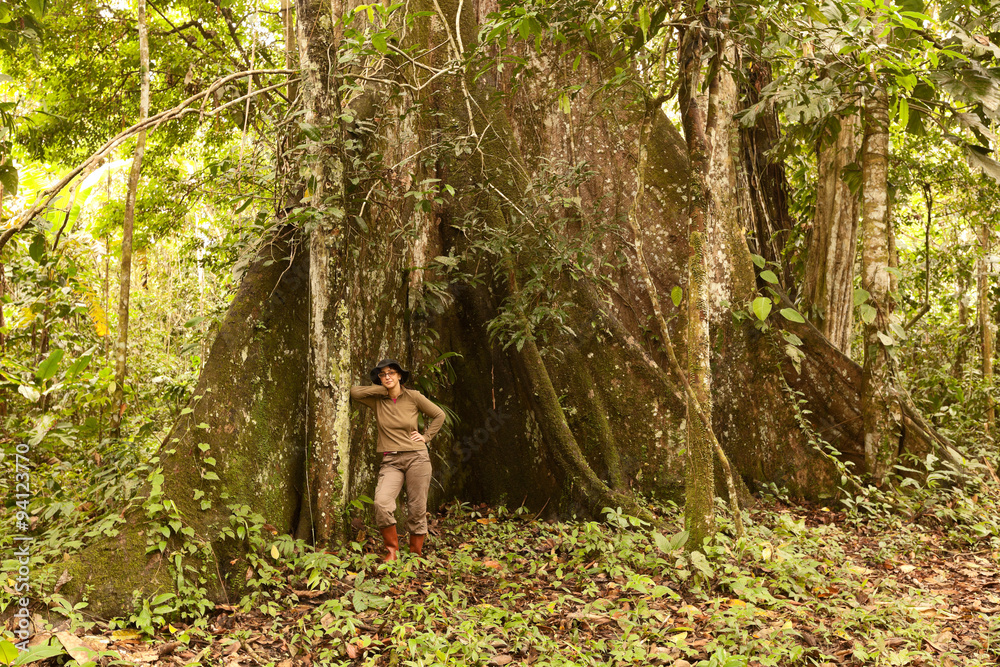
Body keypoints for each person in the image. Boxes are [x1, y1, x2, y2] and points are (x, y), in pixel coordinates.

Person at [350, 358, 445, 561]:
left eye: (391, 373)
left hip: (417, 458)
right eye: (382, 374)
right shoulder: (378, 400)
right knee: (382, 502)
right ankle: (392, 551)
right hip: (391, 460)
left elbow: (439, 415)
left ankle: (415, 555)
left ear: (400, 375)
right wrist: (383, 389)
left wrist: (426, 437)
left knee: (417, 508)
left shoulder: (413, 396)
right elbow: (355, 393)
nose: (387, 377)